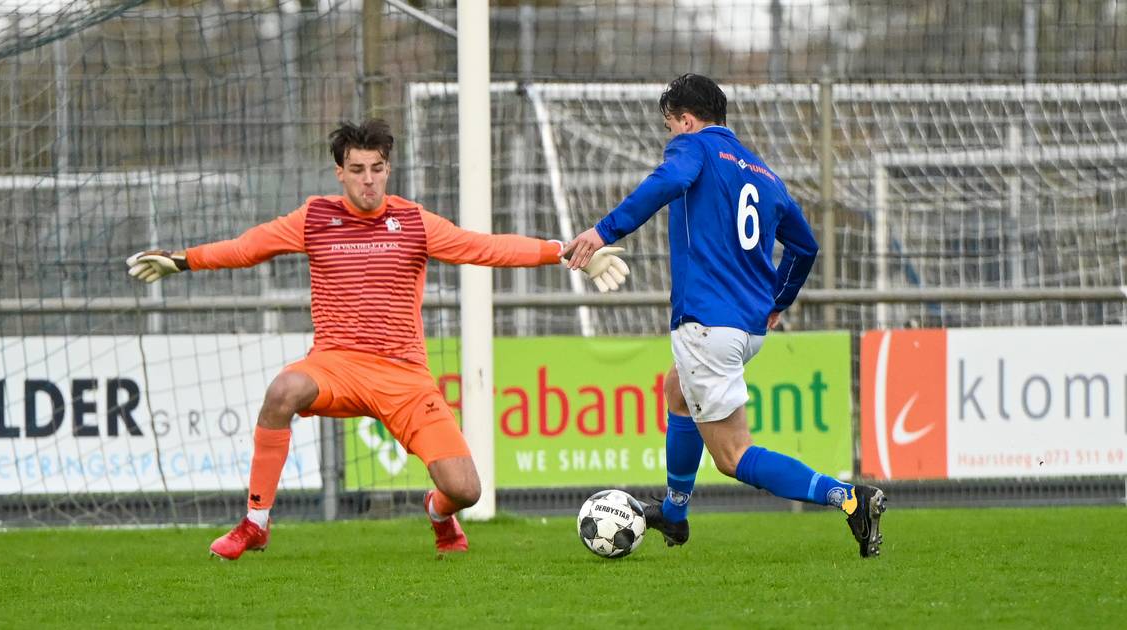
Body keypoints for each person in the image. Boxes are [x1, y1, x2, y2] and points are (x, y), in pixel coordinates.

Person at [126, 119, 630, 559]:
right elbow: (248, 247)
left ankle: (437, 512)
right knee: (282, 392)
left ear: (388, 169)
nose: (369, 179)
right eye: (358, 169)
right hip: (335, 365)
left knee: (466, 490)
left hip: (404, 376)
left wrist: (568, 251)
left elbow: (484, 247)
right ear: (340, 173)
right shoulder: (315, 218)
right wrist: (183, 258)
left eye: (378, 168)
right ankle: (255, 524)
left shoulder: (413, 221)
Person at [563, 73, 886, 558]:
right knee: (677, 390)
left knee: (733, 456)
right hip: (748, 327)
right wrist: (779, 299)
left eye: (671, 125)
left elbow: (668, 180)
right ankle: (674, 515)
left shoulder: (693, 148)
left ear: (687, 120)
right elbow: (805, 246)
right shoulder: (762, 172)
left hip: (707, 325)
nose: (672, 136)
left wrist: (603, 231)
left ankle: (848, 498)